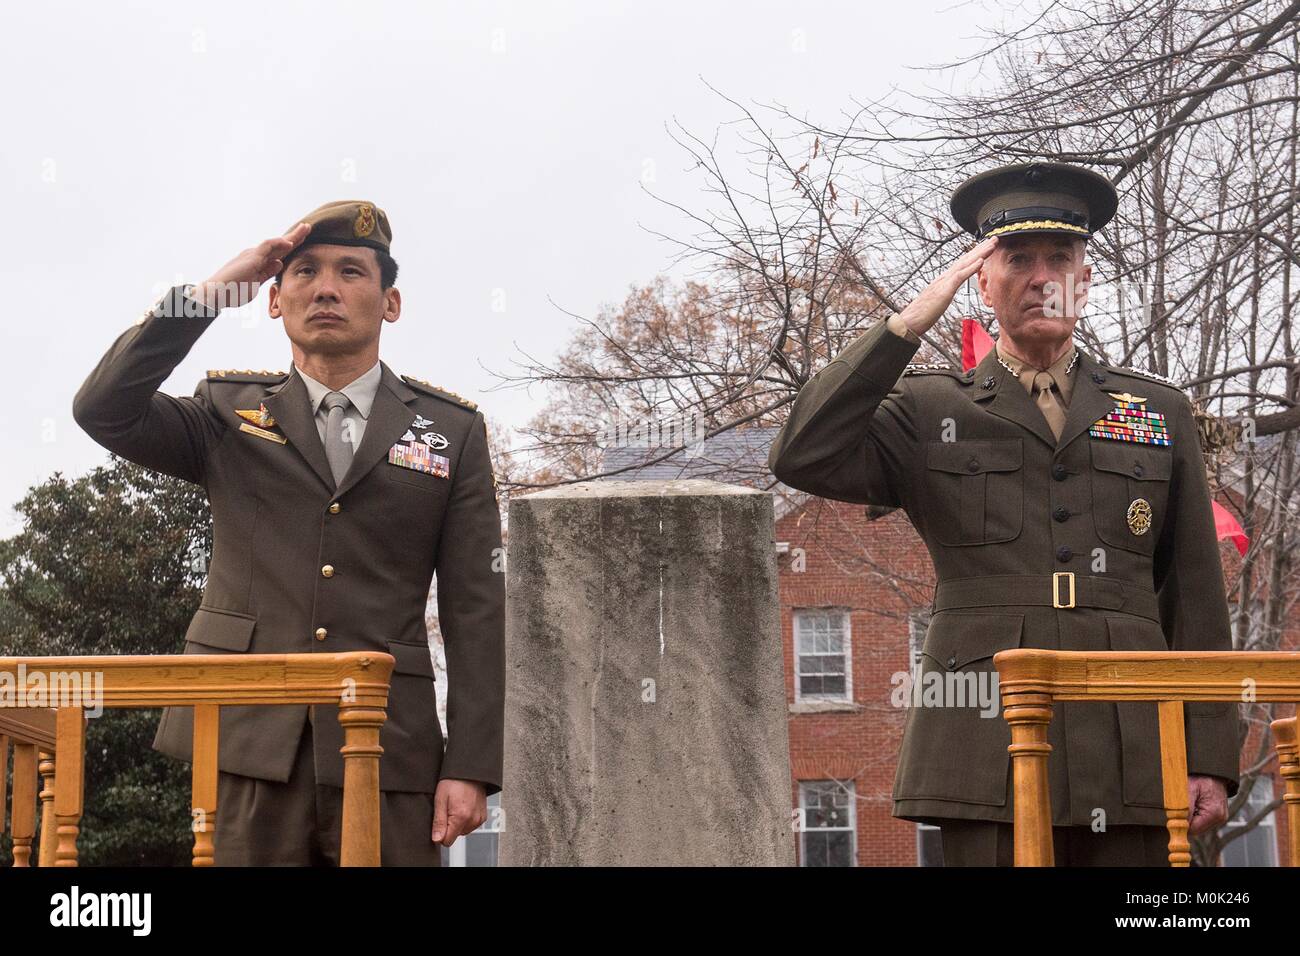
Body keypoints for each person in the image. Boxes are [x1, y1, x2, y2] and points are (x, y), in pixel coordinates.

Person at [768, 162, 1241, 866]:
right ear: (982, 280)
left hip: (1131, 737)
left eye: (1062, 258)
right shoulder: (932, 410)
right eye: (1018, 259)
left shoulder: (1155, 411)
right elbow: (801, 454)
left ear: (1086, 279)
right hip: (981, 736)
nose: (1042, 276)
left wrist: (1209, 753)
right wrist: (905, 326)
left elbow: (1194, 595)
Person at [73, 200, 504, 866]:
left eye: (351, 272)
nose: (327, 288)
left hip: (390, 748)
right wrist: (212, 293)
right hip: (244, 737)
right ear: (274, 300)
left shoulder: (452, 432)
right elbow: (103, 409)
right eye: (305, 272)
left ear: (391, 303)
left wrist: (471, 764)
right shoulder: (225, 411)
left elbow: (477, 606)